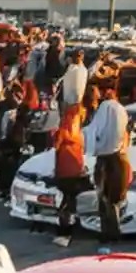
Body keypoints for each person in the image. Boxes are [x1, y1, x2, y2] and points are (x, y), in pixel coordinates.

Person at [87, 83, 131, 246]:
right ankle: (112, 231)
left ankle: (110, 231)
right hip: (117, 159)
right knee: (110, 200)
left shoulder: (106, 109)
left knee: (106, 199)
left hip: (109, 160)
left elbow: (95, 132)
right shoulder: (121, 112)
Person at [51, 102, 88, 247]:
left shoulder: (63, 131)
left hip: (65, 172)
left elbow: (55, 148)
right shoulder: (78, 133)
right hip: (75, 171)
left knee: (66, 203)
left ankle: (64, 232)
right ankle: (68, 229)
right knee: (70, 202)